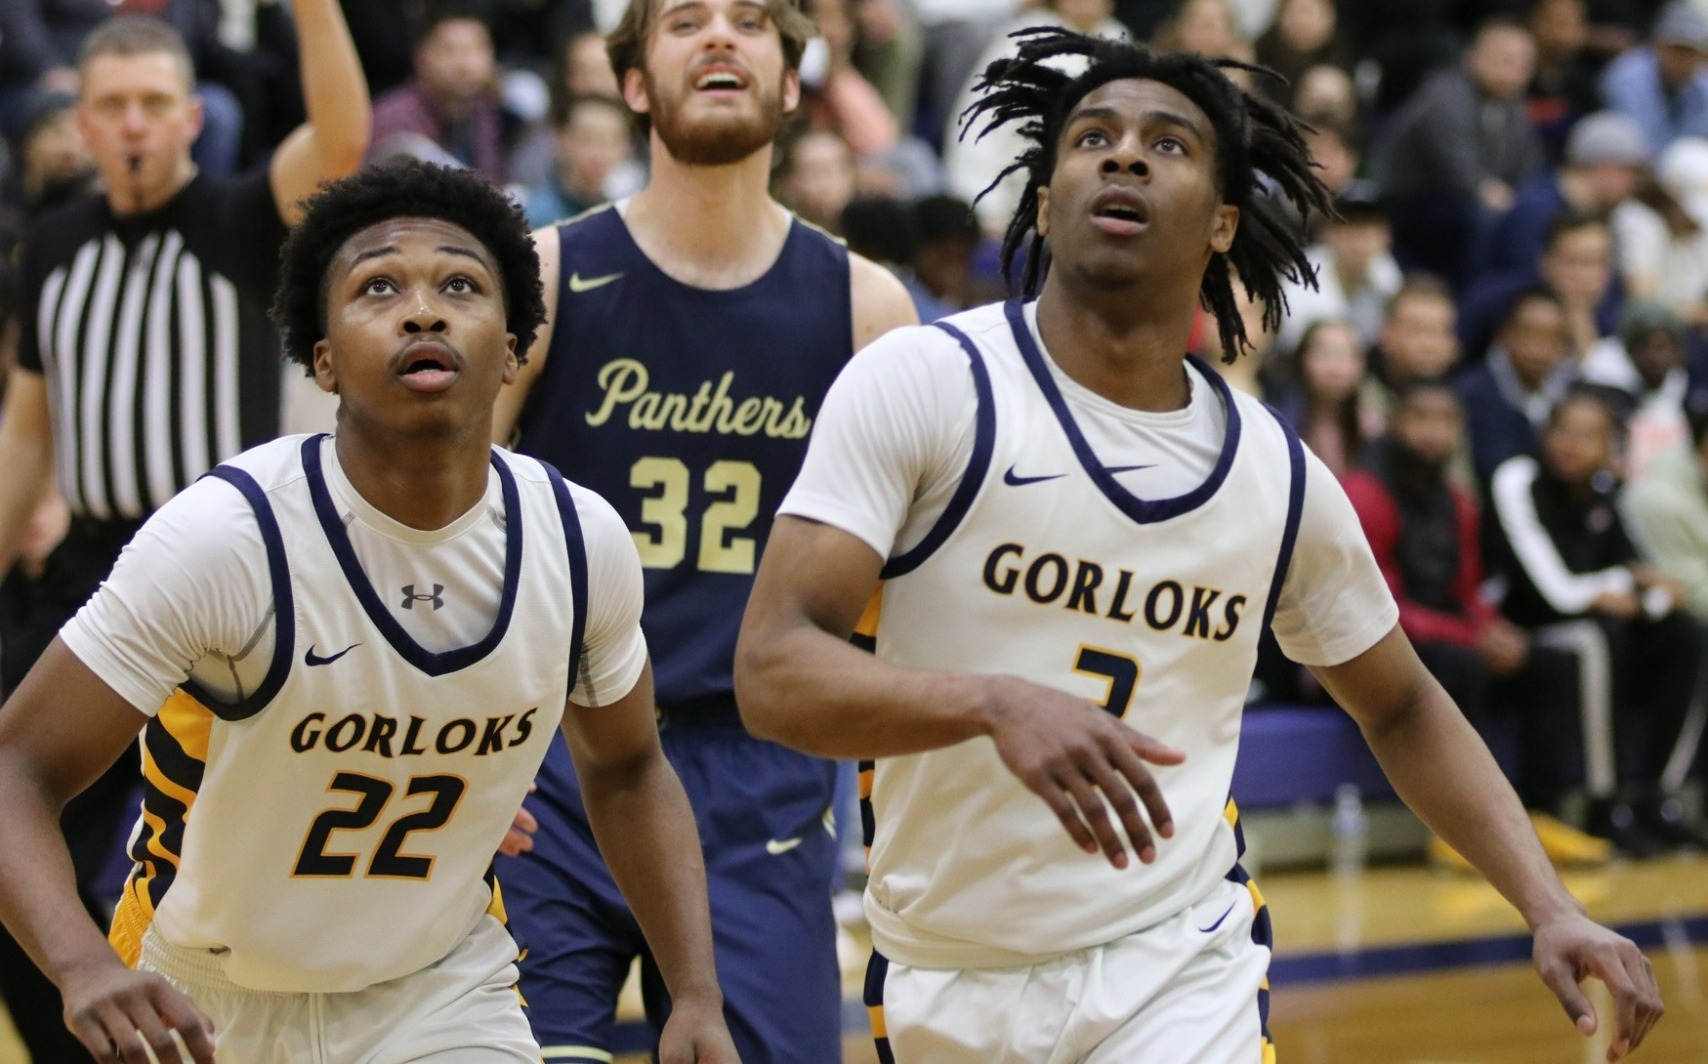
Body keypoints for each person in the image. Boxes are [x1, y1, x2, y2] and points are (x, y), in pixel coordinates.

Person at [733, 28, 1665, 1063]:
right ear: (1044, 200)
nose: (1124, 156)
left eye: (1167, 143)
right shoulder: (925, 381)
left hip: (1177, 962)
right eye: (1091, 137)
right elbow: (773, 669)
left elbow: (1399, 701)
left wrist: (1548, 901)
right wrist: (989, 700)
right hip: (949, 971)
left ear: (1223, 222)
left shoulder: (1275, 471)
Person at [0, 159, 739, 1064]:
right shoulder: (227, 538)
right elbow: (15, 769)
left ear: (513, 348)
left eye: (461, 285)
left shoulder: (580, 540)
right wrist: (78, 965)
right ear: (323, 358)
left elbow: (627, 770)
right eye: (378, 286)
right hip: (205, 997)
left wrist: (696, 993)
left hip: (438, 989)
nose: (423, 309)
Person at [490, 2, 918, 1063]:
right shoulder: (542, 276)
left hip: (756, 772)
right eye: (686, 19)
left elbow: (913, 589)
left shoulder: (867, 308)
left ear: (789, 84)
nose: (719, 38)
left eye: (749, 22)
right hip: (557, 758)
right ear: (633, 82)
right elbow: (447, 534)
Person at [0, 8, 369, 1059]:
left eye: (154, 104)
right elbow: (28, 434)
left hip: (224, 585)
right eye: (111, 105)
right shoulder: (55, 244)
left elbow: (339, 139)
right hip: (83, 578)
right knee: (23, 837)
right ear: (79, 118)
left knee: (211, 865)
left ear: (193, 121)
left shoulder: (240, 216)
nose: (132, 125)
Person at [1341, 380, 1600, 866]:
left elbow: (1466, 592)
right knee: (1464, 666)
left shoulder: (1455, 498)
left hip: (1444, 635)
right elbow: (1380, 603)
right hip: (1372, 645)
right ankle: (1457, 830)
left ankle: (1542, 815)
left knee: (1550, 665)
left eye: (1445, 423)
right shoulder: (1364, 493)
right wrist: (1472, 638)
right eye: (1421, 420)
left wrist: (1496, 630)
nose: (1433, 434)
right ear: (1396, 423)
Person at [1486, 389, 1708, 855]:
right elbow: (1554, 592)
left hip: (1592, 625)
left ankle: (1656, 798)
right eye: (1564, 430)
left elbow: (1649, 584)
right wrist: (1619, 585)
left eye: (1590, 437)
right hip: (1523, 627)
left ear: (1612, 448)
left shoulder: (1606, 492)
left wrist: (1646, 596)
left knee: (1687, 634)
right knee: (1595, 638)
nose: (1573, 444)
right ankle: (1601, 804)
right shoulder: (1518, 480)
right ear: (1546, 434)